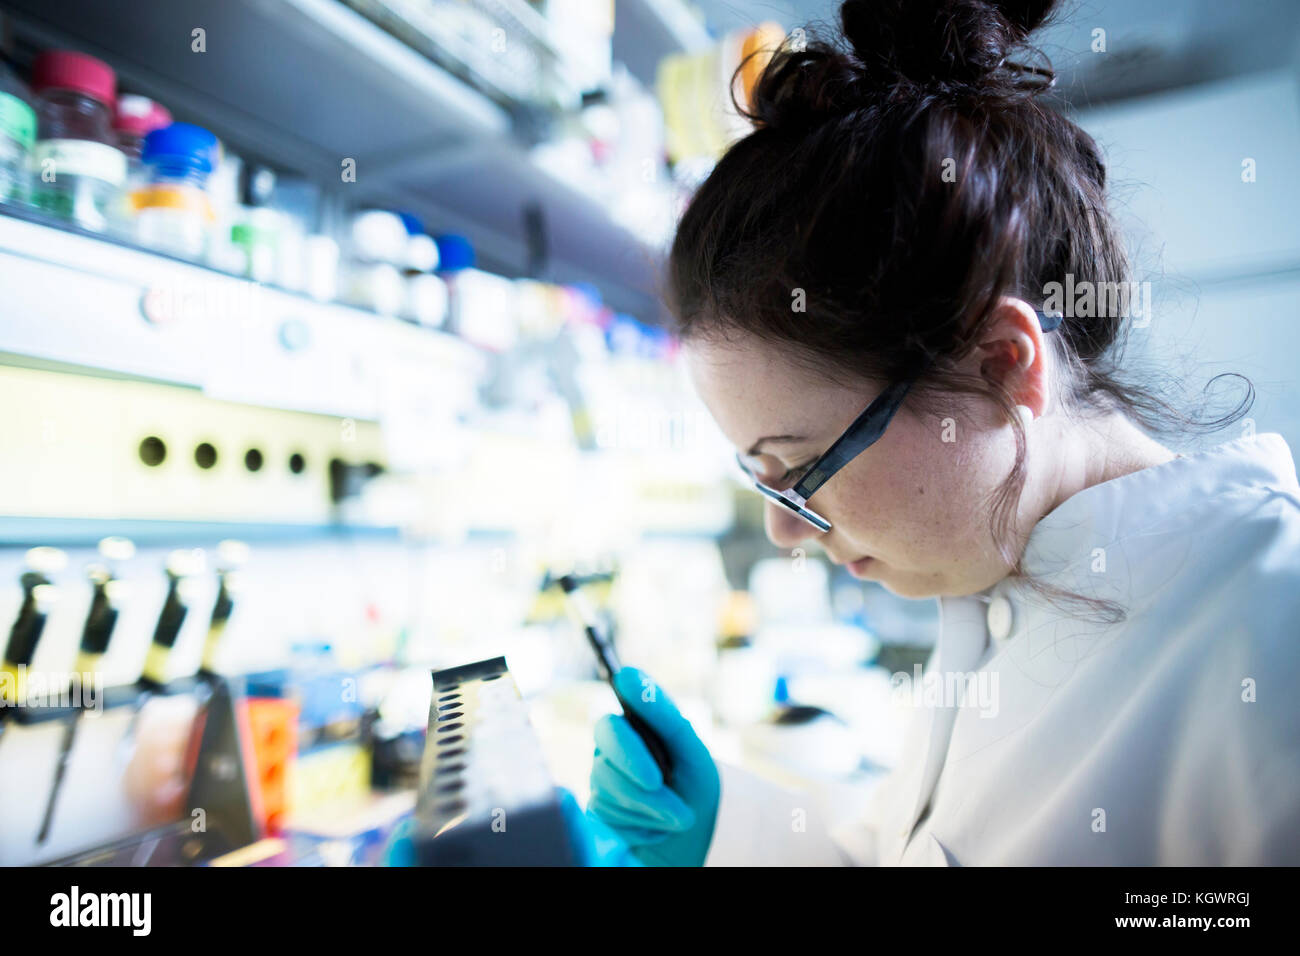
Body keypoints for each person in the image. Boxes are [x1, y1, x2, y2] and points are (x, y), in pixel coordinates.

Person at [576, 0, 1300, 866]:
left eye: (801, 467)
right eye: (760, 476)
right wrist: (725, 831)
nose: (781, 528)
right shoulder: (997, 582)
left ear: (1000, 362)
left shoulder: (1271, 638)